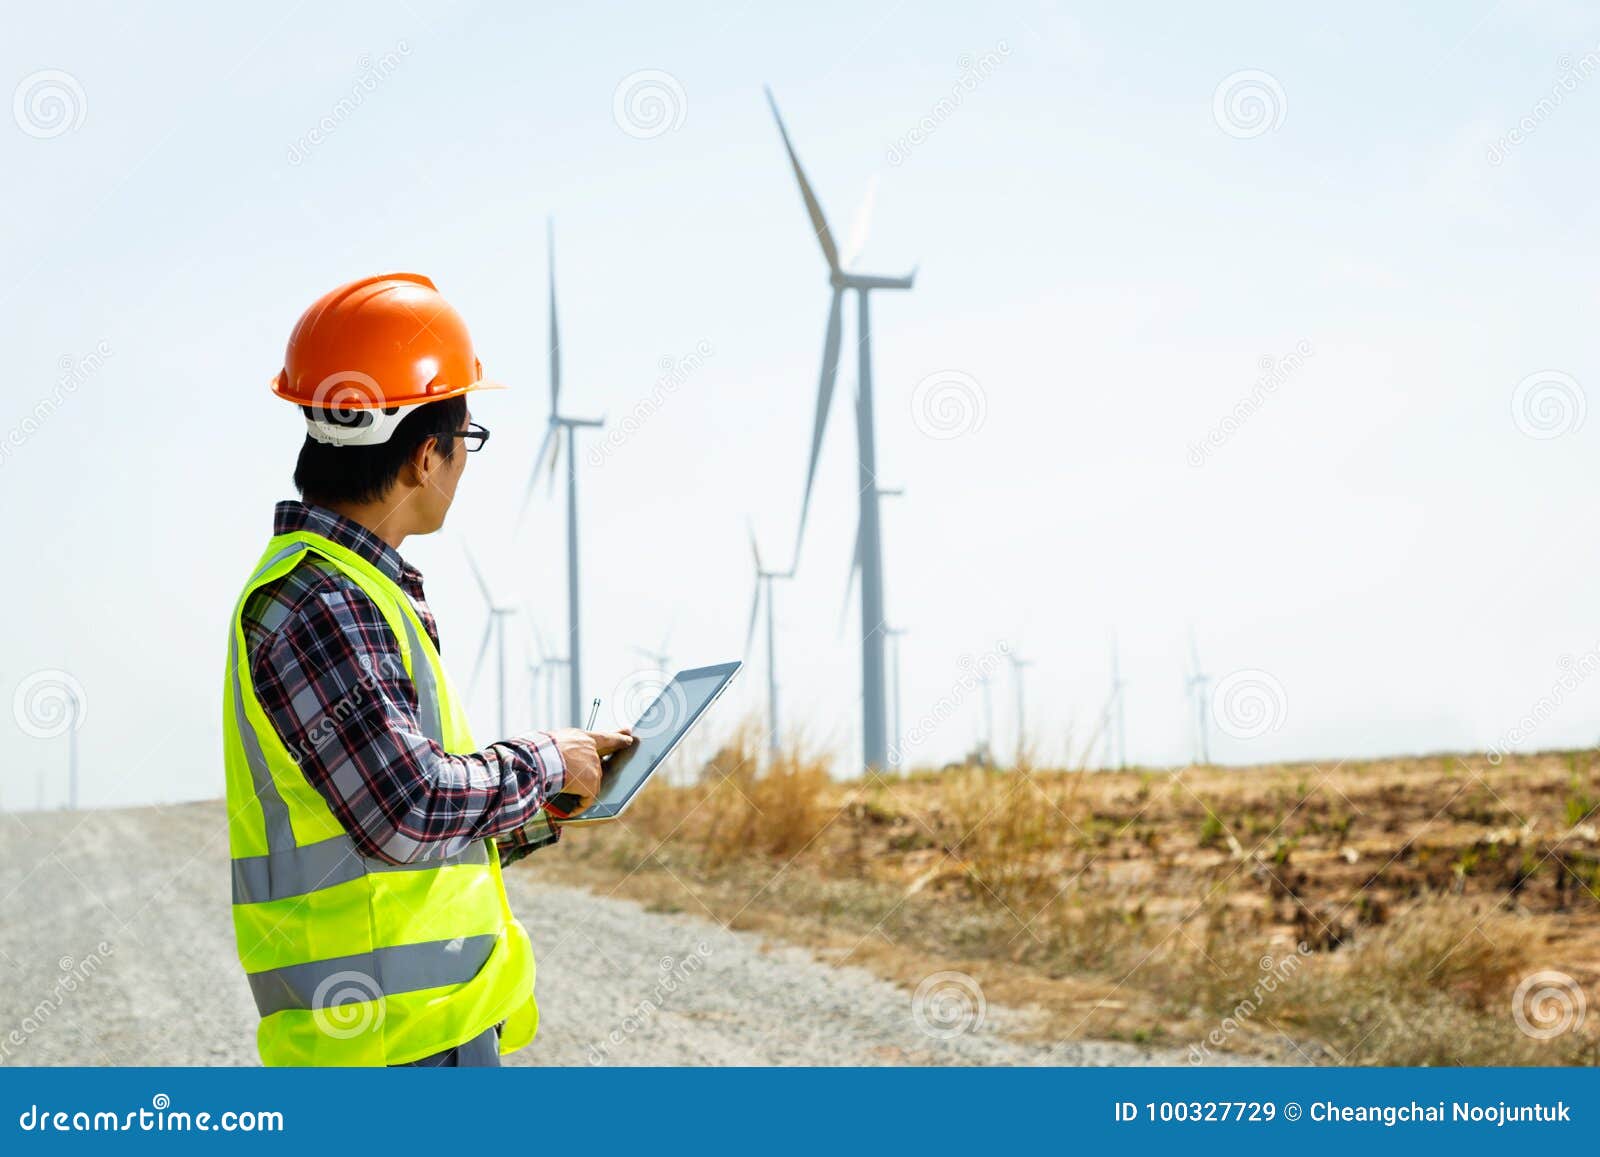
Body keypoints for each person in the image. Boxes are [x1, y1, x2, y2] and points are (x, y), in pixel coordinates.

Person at [220, 272, 633, 1067]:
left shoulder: (349, 590)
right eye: (467, 438)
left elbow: (386, 826)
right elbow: (406, 810)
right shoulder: (327, 602)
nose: (464, 462)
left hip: (409, 1037)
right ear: (424, 456)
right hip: (392, 1050)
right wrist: (546, 756)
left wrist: (551, 796)